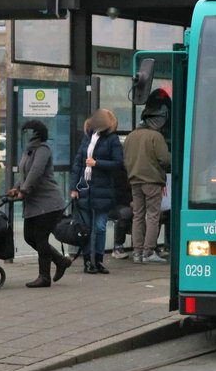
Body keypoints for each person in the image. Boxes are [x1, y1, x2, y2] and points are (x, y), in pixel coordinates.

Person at [8, 120, 73, 288]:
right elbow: (25, 174)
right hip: (34, 204)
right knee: (29, 237)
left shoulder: (43, 149)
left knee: (40, 238)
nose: (25, 135)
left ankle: (44, 276)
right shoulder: (29, 150)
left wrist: (24, 190)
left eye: (28, 132)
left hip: (48, 203)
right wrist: (16, 188)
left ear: (37, 133)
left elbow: (36, 171)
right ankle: (60, 260)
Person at [70, 109, 124, 273]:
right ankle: (87, 261)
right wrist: (73, 187)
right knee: (86, 228)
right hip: (85, 188)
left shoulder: (112, 140)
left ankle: (99, 260)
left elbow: (118, 163)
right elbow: (78, 164)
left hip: (103, 190)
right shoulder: (87, 139)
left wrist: (97, 163)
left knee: (100, 227)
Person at [124, 104, 172, 264]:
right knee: (153, 216)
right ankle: (148, 252)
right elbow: (165, 159)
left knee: (137, 216)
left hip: (135, 180)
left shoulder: (131, 136)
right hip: (152, 180)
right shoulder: (155, 137)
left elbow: (125, 159)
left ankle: (137, 252)